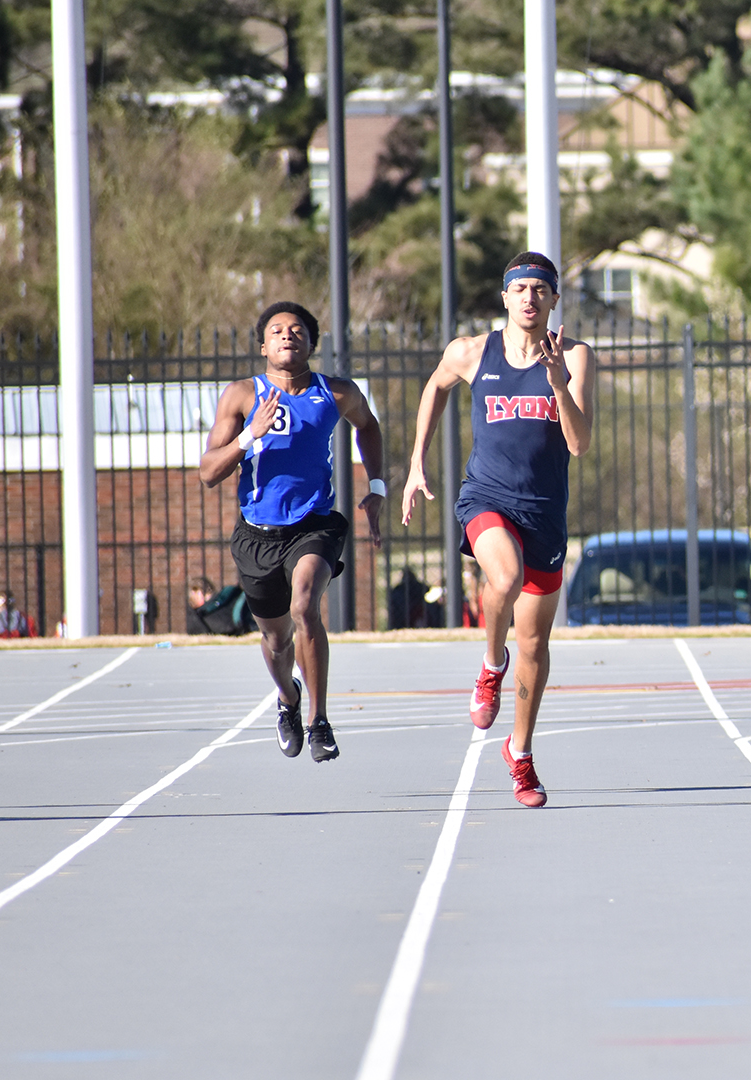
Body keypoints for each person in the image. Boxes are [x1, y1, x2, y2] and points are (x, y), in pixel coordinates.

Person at [401, 252, 595, 809]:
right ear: (504, 297)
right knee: (502, 578)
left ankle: (521, 752)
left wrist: (558, 383)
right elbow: (435, 388)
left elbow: (579, 445)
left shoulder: (576, 357)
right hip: (485, 496)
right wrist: (417, 463)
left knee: (535, 643)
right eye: (520, 289)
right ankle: (491, 665)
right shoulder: (470, 352)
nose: (530, 297)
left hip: (544, 514)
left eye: (541, 289)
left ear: (555, 300)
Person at [199, 301, 386, 763]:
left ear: (310, 343)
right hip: (258, 534)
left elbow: (370, 427)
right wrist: (248, 436)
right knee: (277, 640)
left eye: (298, 329)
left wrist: (377, 486)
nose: (288, 335)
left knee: (305, 603)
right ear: (263, 345)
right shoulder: (242, 396)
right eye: (278, 330)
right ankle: (289, 698)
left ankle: (320, 720)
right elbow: (207, 471)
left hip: (315, 524)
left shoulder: (336, 393)